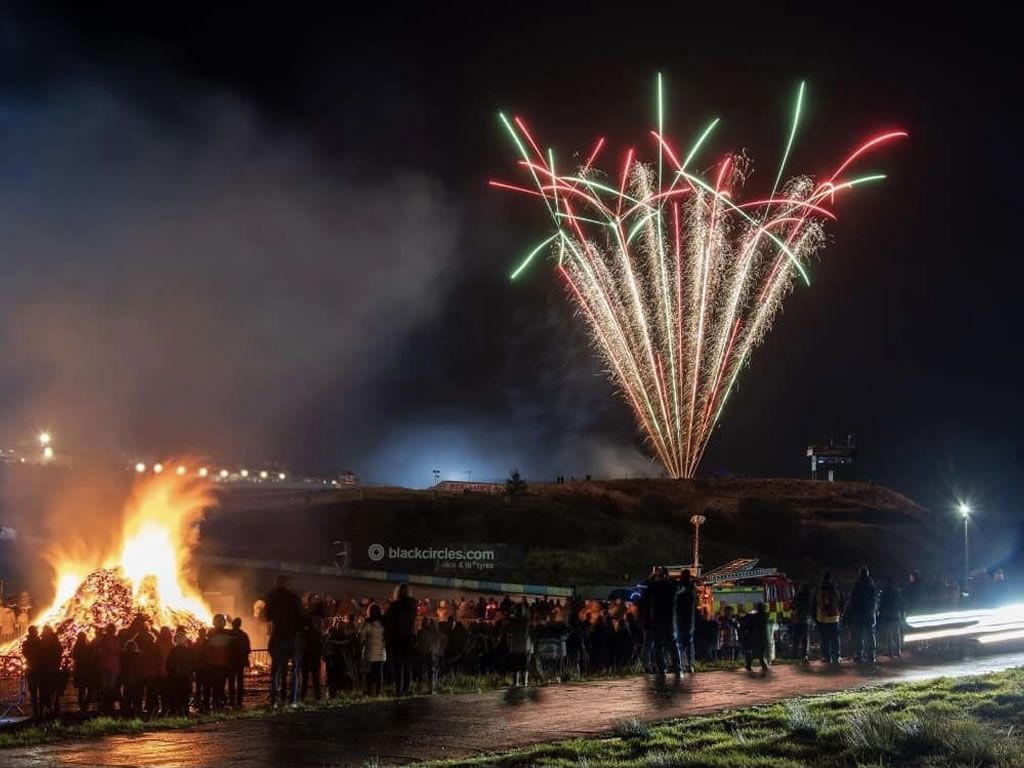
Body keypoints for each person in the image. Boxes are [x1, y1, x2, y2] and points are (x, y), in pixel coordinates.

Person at [264, 575, 305, 706]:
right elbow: (302, 617)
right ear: (287, 584)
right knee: (295, 670)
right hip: (292, 638)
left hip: (278, 637)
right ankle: (293, 700)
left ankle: (274, 700)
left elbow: (267, 616)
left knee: (276, 669)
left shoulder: (273, 598)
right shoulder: (294, 598)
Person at [645, 567, 680, 674]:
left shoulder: (653, 587)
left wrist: (650, 578)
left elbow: (647, 589)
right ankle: (677, 666)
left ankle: (662, 667)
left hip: (657, 619)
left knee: (658, 645)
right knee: (673, 644)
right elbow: (679, 587)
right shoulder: (671, 586)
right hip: (670, 620)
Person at [385, 584, 417, 695]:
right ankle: (407, 688)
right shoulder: (413, 606)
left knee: (398, 664)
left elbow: (388, 622)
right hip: (410, 638)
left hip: (397, 637)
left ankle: (399, 688)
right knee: (407, 664)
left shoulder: (394, 606)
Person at [848, 567, 878, 663]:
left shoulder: (857, 585)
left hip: (859, 614)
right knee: (870, 634)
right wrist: (874, 610)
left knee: (859, 635)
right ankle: (871, 655)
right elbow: (874, 600)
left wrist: (853, 612)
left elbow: (852, 600)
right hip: (869, 613)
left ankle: (859, 655)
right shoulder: (871, 585)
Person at [204, 614, 233, 710]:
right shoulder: (228, 634)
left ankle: (215, 703)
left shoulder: (210, 635)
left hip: (213, 666)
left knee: (215, 686)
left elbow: (207, 651)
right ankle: (219, 704)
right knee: (220, 686)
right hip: (223, 666)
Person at [815, 572, 843, 665]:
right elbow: (842, 602)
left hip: (822, 618)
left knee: (824, 638)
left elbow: (814, 603)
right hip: (835, 618)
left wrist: (815, 617)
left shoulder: (819, 589)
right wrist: (840, 613)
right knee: (835, 638)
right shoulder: (836, 589)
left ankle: (827, 657)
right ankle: (836, 656)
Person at [360, 604, 387, 696]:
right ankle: (379, 692)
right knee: (380, 674)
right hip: (381, 653)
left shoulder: (367, 624)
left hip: (370, 653)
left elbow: (361, 637)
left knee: (370, 674)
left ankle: (369, 691)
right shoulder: (384, 624)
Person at [165, 630, 193, 716]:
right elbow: (192, 664)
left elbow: (168, 664)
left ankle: (175, 714)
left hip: (176, 678)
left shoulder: (173, 651)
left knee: (176, 697)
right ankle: (184, 714)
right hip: (184, 677)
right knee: (184, 698)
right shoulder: (188, 651)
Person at [674, 571, 697, 674]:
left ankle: (681, 664)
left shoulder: (679, 588)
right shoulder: (691, 588)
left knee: (680, 643)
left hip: (680, 619)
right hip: (688, 620)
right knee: (688, 643)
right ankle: (689, 665)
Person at [505, 602, 533, 687]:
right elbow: (531, 635)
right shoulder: (527, 622)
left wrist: (509, 646)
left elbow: (509, 634)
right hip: (525, 647)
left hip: (514, 648)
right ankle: (525, 682)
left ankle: (516, 682)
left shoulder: (512, 622)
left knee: (515, 665)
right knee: (525, 666)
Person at [96, 623, 121, 714]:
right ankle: (106, 704)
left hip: (109, 665)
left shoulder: (111, 638)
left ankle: (107, 704)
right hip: (109, 665)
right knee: (107, 686)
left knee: (108, 686)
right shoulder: (108, 639)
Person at [877, 577, 905, 658]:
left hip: (887, 615)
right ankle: (898, 651)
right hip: (896, 615)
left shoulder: (885, 592)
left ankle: (891, 652)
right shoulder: (897, 592)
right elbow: (901, 604)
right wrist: (902, 614)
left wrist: (880, 613)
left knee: (889, 634)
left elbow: (881, 605)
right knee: (897, 634)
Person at [741, 603, 771, 674]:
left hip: (755, 636)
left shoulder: (755, 616)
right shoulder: (765, 615)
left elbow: (747, 624)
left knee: (752, 651)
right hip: (763, 637)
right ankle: (762, 665)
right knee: (759, 652)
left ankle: (750, 665)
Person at [227, 617, 251, 707]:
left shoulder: (229, 634)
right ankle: (239, 702)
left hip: (230, 662)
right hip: (239, 662)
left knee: (231, 682)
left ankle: (232, 701)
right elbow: (248, 649)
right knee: (239, 682)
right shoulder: (243, 635)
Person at [21, 625, 43, 718]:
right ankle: (39, 712)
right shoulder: (40, 642)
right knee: (40, 691)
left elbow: (25, 653)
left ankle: (37, 712)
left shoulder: (27, 643)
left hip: (32, 670)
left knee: (34, 692)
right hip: (38, 669)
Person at [120, 639, 145, 717]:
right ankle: (137, 714)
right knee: (137, 699)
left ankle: (127, 715)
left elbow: (123, 668)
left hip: (128, 681)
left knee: (128, 699)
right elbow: (141, 668)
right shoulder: (139, 656)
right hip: (137, 681)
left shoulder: (124, 656)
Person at [71, 630, 95, 711]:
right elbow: (91, 657)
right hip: (86, 671)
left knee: (81, 690)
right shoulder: (86, 647)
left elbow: (73, 657)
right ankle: (85, 705)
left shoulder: (76, 647)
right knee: (89, 689)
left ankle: (82, 706)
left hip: (79, 671)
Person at [300, 618, 322, 701]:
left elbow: (303, 647)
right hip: (315, 660)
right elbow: (320, 646)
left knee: (304, 680)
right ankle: (317, 697)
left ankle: (302, 697)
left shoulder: (304, 634)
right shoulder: (317, 633)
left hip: (306, 660)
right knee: (316, 680)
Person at [789, 583, 813, 662]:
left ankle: (794, 654)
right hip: (805, 620)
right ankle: (804, 655)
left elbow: (791, 605)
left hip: (796, 620)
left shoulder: (796, 596)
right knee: (804, 639)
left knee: (795, 639)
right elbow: (810, 608)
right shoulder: (808, 597)